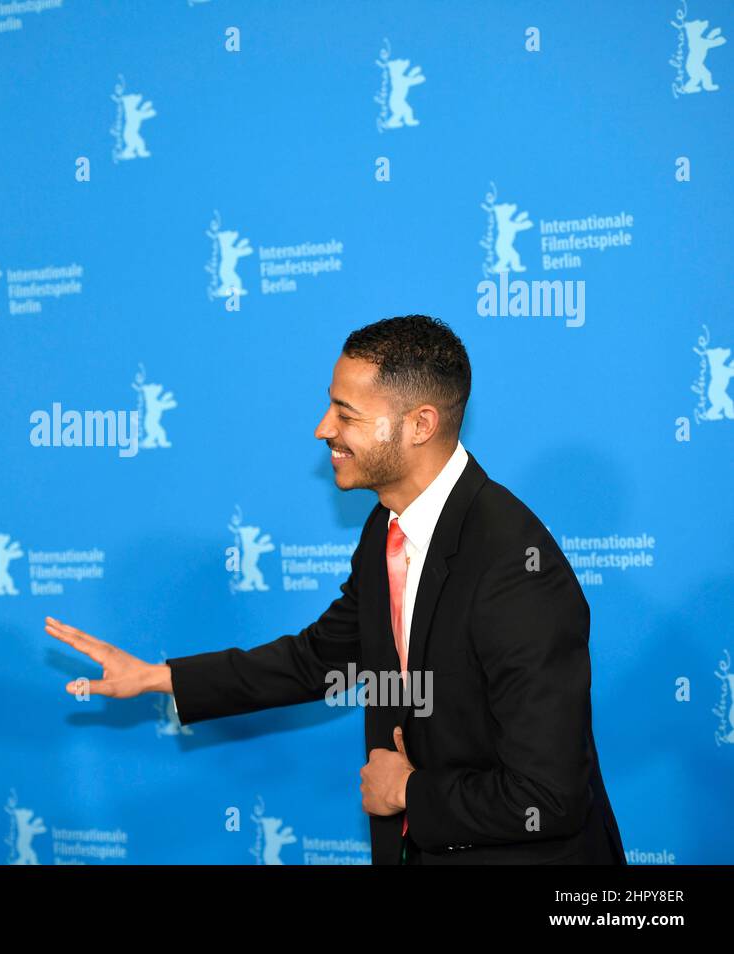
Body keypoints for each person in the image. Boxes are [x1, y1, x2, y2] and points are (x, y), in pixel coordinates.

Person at [46, 314, 626, 865]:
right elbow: (324, 659)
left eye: (345, 414)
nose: (324, 428)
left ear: (419, 424)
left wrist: (410, 793)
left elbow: (548, 798)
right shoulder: (387, 525)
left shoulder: (516, 570)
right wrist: (158, 676)